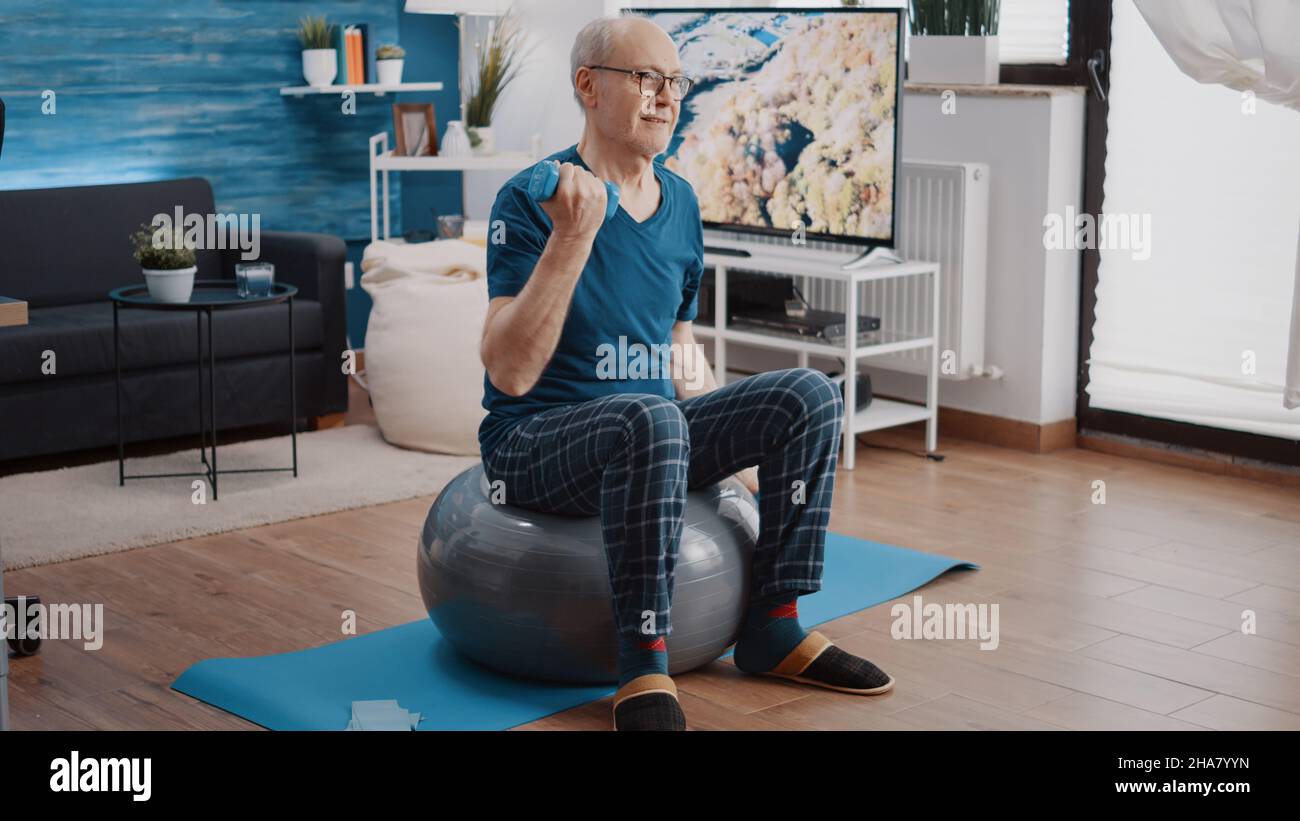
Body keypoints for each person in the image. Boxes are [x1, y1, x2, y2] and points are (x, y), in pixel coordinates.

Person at [478, 16, 893, 731]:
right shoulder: (534, 198)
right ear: (589, 86)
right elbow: (508, 371)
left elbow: (679, 350)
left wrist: (745, 454)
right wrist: (573, 236)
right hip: (532, 445)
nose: (665, 97)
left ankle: (774, 625)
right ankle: (641, 666)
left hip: (649, 436)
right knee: (650, 416)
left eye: (675, 82)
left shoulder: (681, 205)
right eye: (646, 78)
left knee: (809, 395)